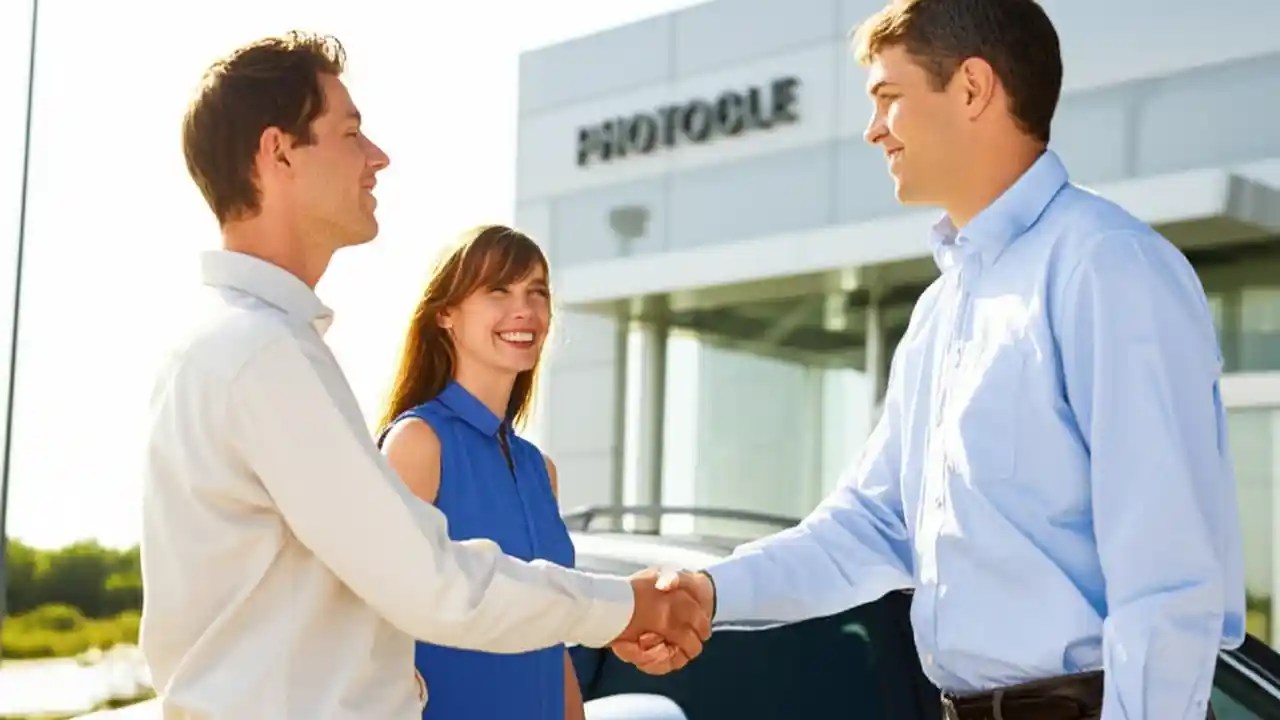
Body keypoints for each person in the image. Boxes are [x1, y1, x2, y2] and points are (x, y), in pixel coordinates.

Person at [616, 1, 1244, 718]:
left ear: (972, 88)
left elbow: (1168, 580)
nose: (873, 129)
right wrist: (710, 591)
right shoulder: (940, 312)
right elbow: (870, 525)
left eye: (889, 96)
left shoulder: (1107, 268)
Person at [140, 31, 707, 720]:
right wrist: (625, 605)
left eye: (537, 293)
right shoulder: (260, 354)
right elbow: (430, 584)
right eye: (351, 132)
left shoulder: (241, 346)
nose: (376, 157)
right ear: (279, 152)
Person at [375, 224, 589, 720]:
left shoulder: (540, 470)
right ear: (445, 314)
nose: (525, 309)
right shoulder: (418, 444)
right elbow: (372, 623)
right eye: (499, 290)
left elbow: (550, 633)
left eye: (537, 292)